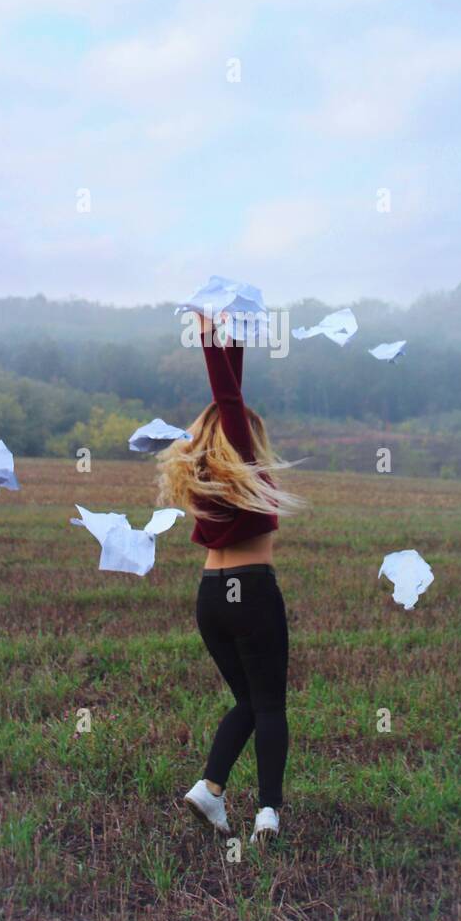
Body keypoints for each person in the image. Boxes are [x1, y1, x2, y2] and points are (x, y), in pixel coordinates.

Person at [156, 309, 303, 843]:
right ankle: (268, 813)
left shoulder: (205, 476)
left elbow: (228, 400)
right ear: (240, 434)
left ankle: (210, 790)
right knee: (269, 706)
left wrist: (232, 336)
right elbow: (230, 400)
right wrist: (207, 339)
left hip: (211, 599)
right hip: (252, 595)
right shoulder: (243, 467)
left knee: (248, 701)